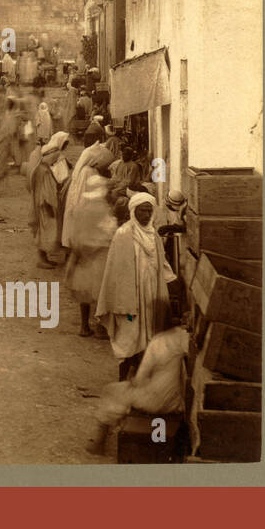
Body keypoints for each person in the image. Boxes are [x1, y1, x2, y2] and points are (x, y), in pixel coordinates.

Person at [96, 192, 180, 381]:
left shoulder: (153, 236)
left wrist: (172, 281)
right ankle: (122, 380)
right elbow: (114, 270)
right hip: (128, 300)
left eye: (149, 211)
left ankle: (140, 382)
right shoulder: (123, 235)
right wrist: (120, 299)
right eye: (142, 211)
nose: (146, 215)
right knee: (129, 337)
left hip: (150, 294)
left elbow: (162, 263)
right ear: (134, 211)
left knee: (148, 336)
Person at [85, 325, 190, 456]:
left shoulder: (157, 342)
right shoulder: (181, 336)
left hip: (157, 402)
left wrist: (130, 381)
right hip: (176, 401)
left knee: (112, 391)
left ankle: (98, 441)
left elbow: (140, 380)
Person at [63, 173, 117, 337]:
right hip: (100, 254)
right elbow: (110, 231)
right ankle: (101, 327)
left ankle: (84, 326)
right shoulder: (103, 209)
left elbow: (74, 234)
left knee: (84, 293)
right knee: (101, 294)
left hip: (82, 255)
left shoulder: (80, 208)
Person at [28, 131, 71, 269]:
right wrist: (51, 207)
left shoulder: (41, 168)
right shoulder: (44, 172)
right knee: (46, 233)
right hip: (45, 206)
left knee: (44, 232)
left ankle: (44, 257)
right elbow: (46, 193)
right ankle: (41, 259)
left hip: (41, 205)